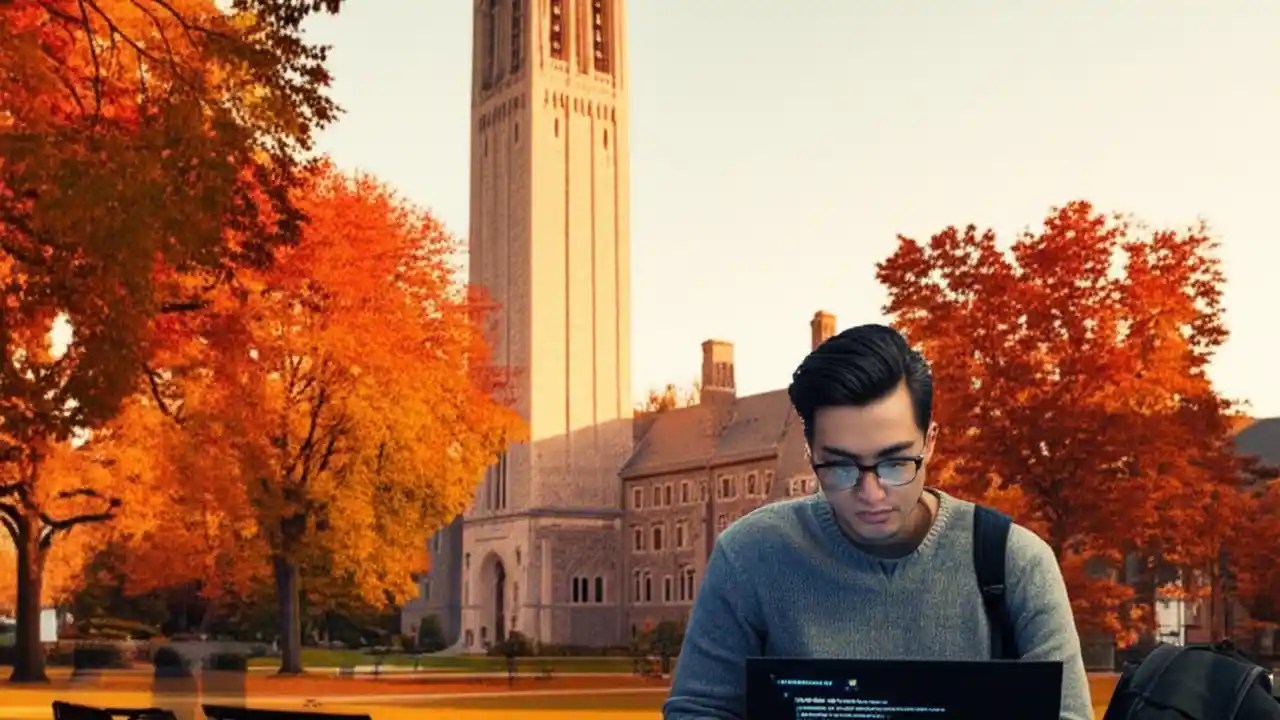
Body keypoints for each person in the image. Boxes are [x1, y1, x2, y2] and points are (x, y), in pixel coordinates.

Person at [663, 324, 1093, 720]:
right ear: (811, 453)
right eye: (840, 466)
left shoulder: (1015, 563)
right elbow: (699, 711)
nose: (870, 493)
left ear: (931, 443)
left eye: (894, 462)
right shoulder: (751, 556)